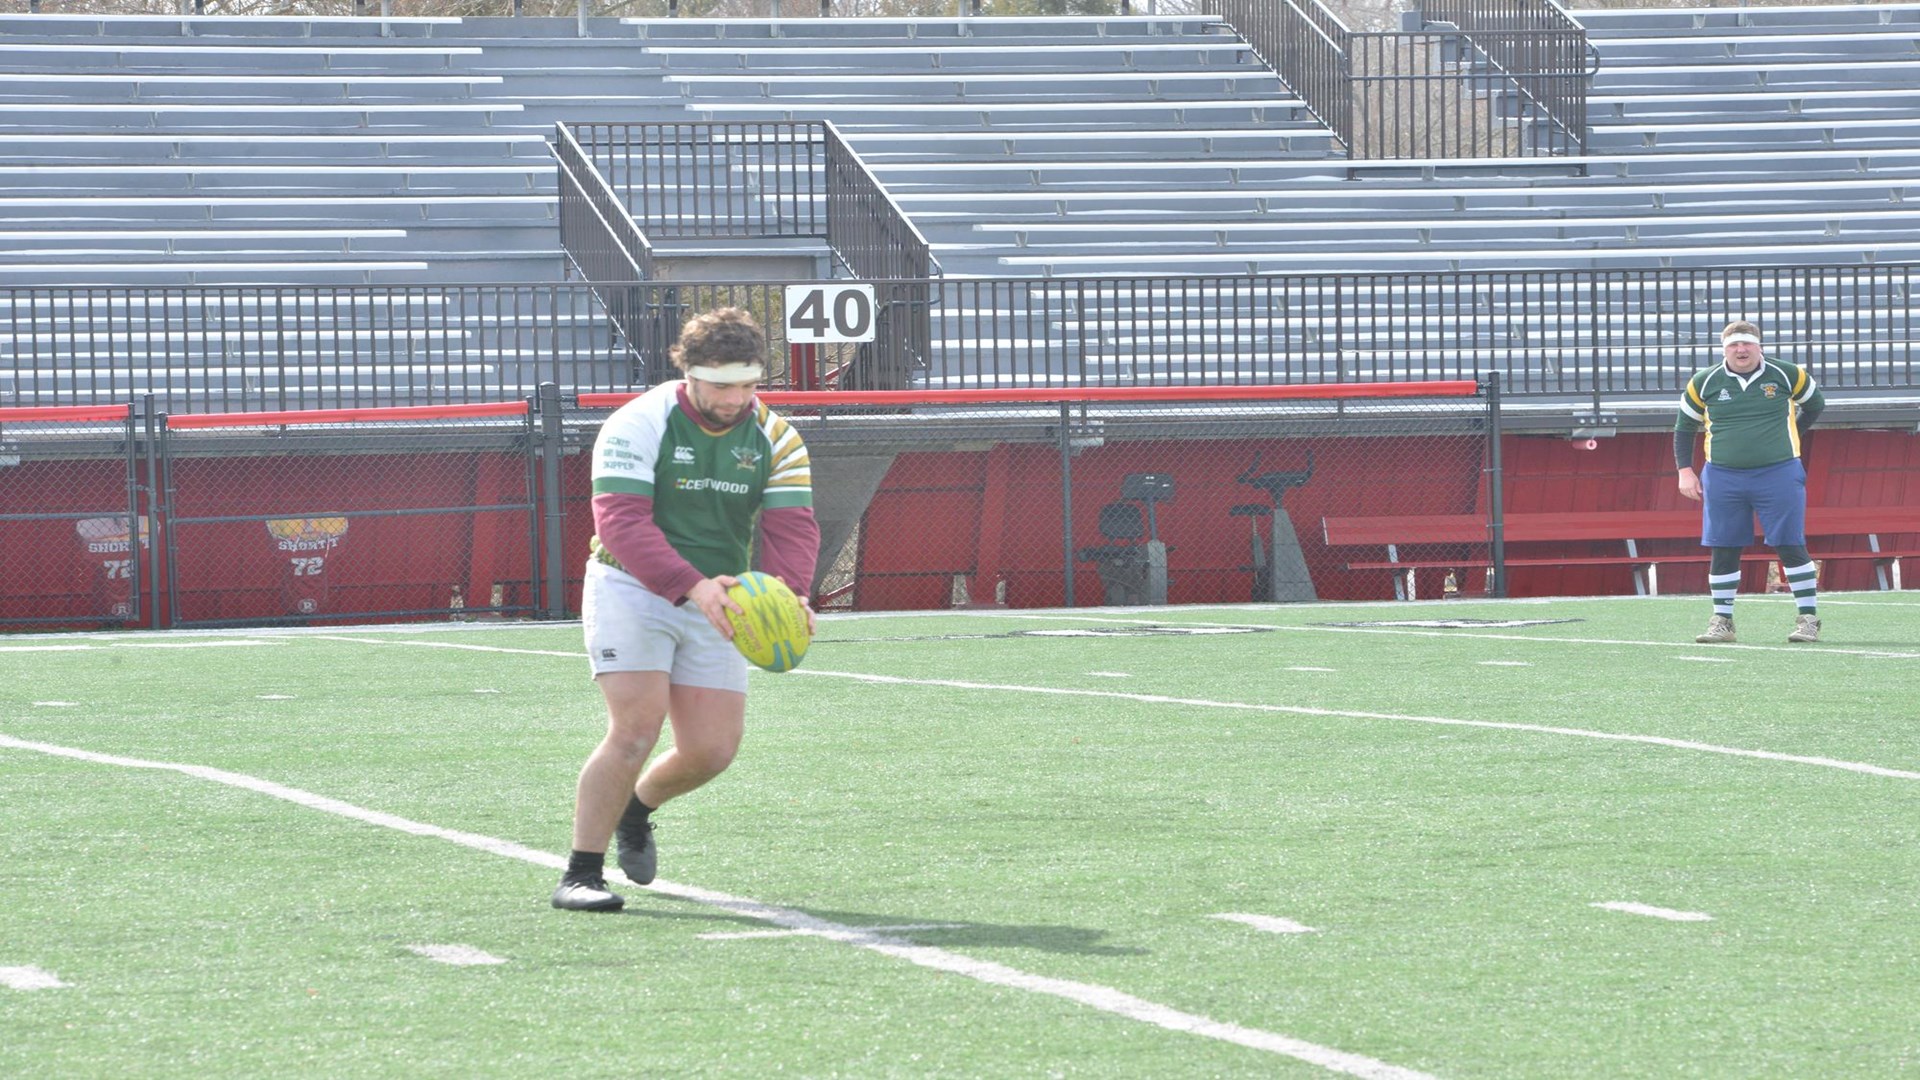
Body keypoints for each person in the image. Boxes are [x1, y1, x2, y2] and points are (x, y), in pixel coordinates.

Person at [553, 307, 819, 912]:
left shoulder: (777, 435)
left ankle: (636, 808)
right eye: (723, 384)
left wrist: (791, 594)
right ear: (690, 374)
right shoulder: (639, 422)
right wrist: (692, 584)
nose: (737, 398)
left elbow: (791, 527)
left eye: (750, 384)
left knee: (712, 751)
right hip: (631, 588)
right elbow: (620, 524)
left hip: (721, 599)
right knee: (636, 728)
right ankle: (581, 873)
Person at [1674, 319, 1825, 645]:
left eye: (1747, 343)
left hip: (1779, 472)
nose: (1740, 350)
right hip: (1723, 475)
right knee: (1724, 545)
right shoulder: (1704, 382)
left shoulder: (1787, 374)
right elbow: (1684, 427)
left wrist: (1792, 434)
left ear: (1759, 346)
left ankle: (1808, 618)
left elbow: (1815, 404)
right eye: (1733, 344)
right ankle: (1722, 621)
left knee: (1790, 542)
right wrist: (1684, 471)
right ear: (1724, 348)